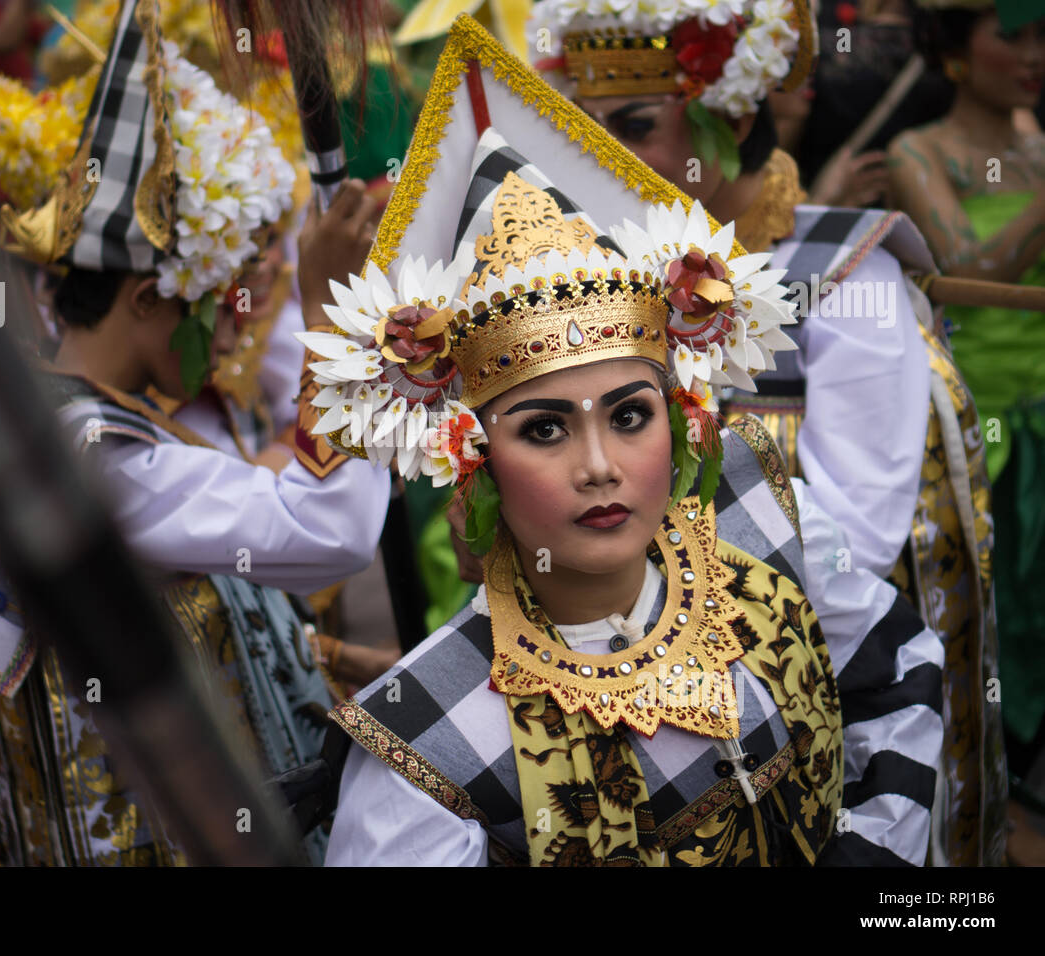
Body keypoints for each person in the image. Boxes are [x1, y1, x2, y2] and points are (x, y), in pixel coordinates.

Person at [315, 18, 943, 865]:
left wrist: (876, 848)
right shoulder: (430, 743)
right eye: (543, 429)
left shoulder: (755, 517)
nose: (601, 465)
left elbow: (898, 669)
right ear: (471, 460)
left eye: (630, 414)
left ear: (684, 416)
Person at [0, 0, 392, 865]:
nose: (232, 338)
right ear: (148, 300)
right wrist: (342, 326)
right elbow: (332, 530)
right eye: (220, 310)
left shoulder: (50, 415)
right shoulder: (101, 461)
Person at [526, 0, 1006, 865]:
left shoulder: (846, 277)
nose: (602, 159)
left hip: (807, 688)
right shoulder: (607, 279)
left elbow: (851, 541)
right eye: (586, 132)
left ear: (734, 117)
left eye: (633, 125)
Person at [887, 0, 1045, 829]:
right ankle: (999, 795)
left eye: (1043, 36)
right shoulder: (921, 150)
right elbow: (968, 261)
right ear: (955, 48)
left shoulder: (1036, 143)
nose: (1033, 56)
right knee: (990, 610)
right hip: (970, 429)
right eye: (1011, 35)